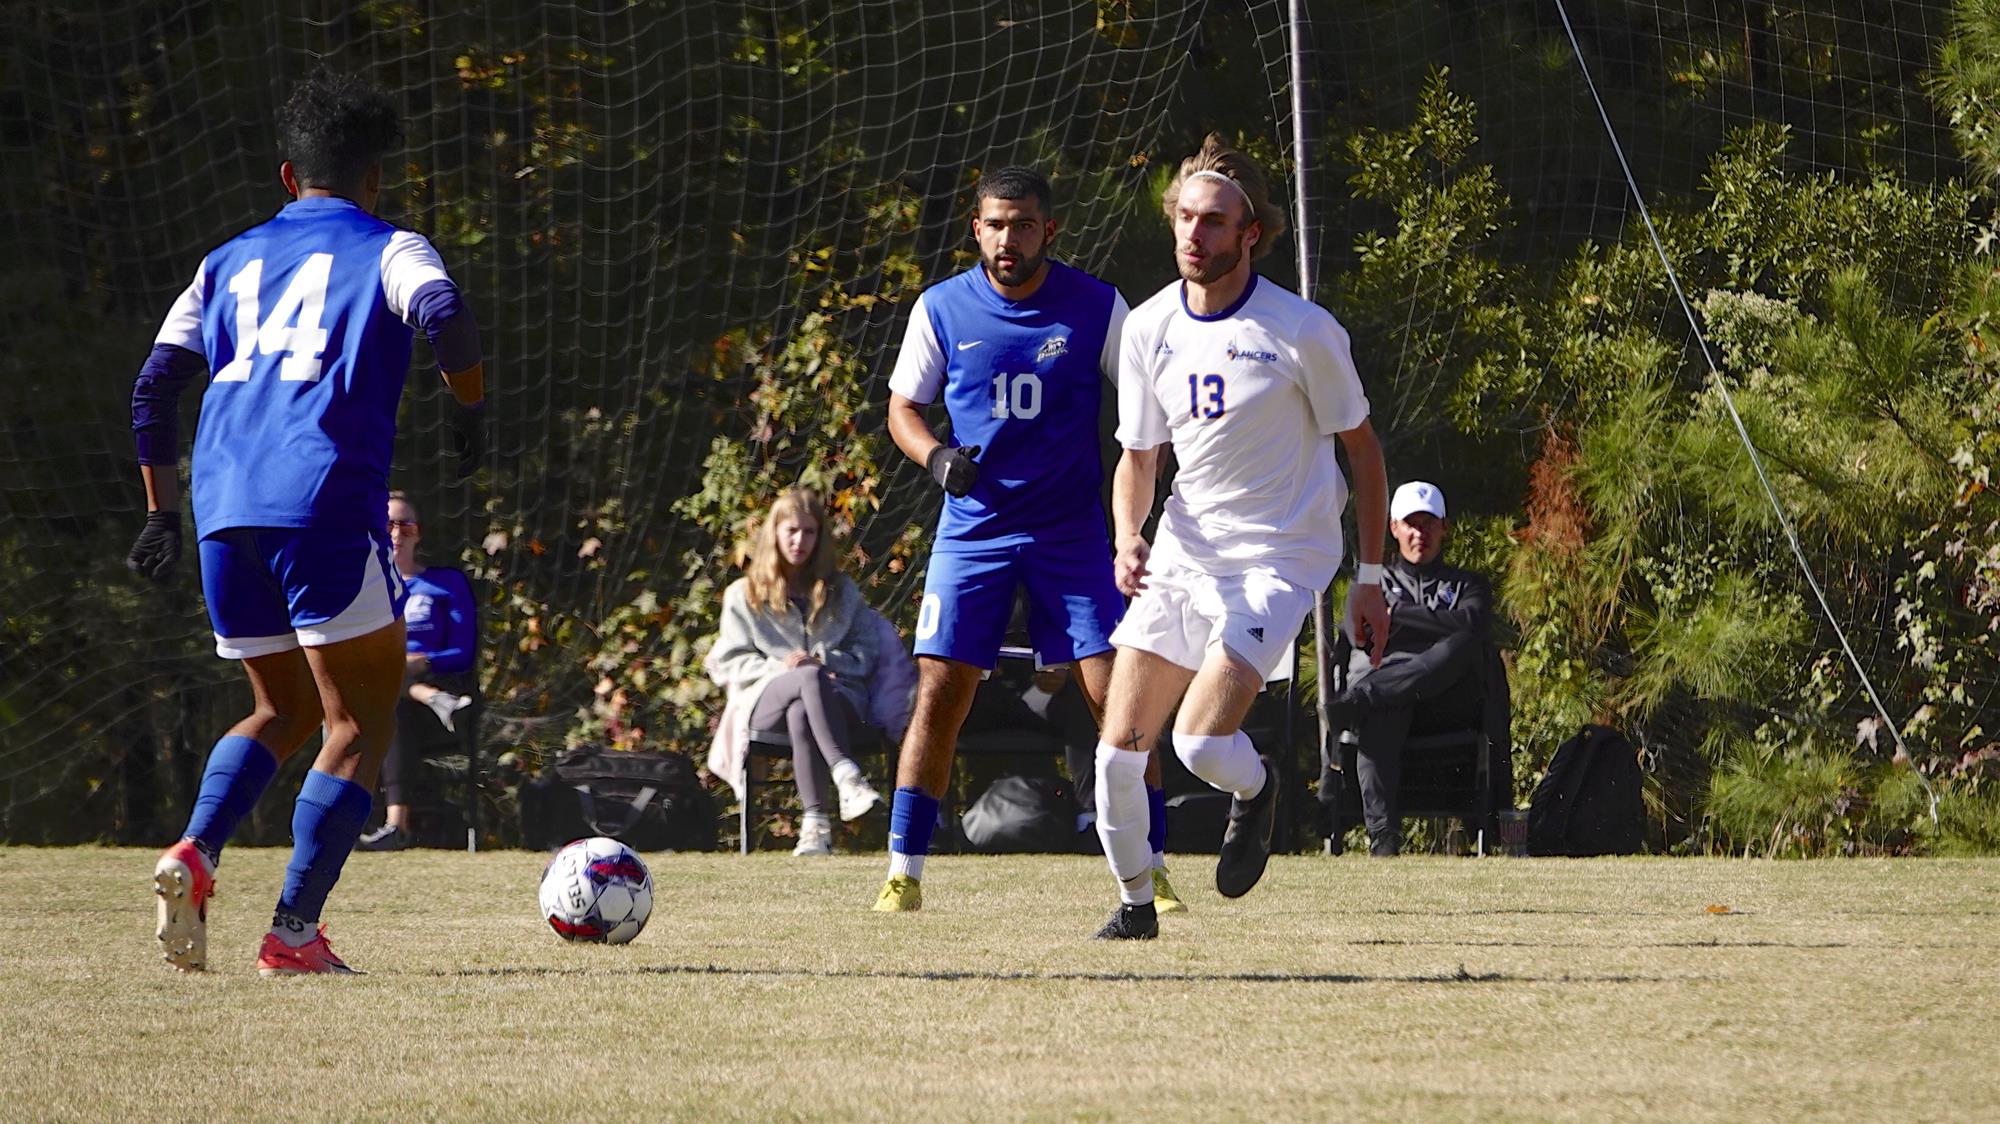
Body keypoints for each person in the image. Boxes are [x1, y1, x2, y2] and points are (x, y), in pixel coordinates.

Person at [126, 68, 486, 975]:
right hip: (322, 503)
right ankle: (292, 933)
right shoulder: (391, 247)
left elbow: (153, 386)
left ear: (290, 177)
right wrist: (469, 408)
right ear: (376, 176)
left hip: (223, 511)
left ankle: (195, 852)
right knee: (360, 719)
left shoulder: (227, 258)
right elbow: (444, 313)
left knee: (278, 707)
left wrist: (163, 512)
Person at [1087, 135, 1390, 940]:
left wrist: (1370, 575)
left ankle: (1258, 792)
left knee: (1195, 742)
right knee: (1117, 756)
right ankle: (1134, 907)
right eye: (1185, 217)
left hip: (1280, 556)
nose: (1195, 234)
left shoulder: (1302, 330)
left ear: (1250, 232)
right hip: (1186, 550)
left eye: (1214, 222)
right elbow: (1138, 457)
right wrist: (1128, 535)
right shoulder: (1150, 326)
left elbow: (1362, 451)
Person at [871, 166, 1183, 914]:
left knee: (1119, 698)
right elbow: (901, 409)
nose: (1010, 239)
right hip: (973, 533)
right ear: (976, 229)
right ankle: (903, 871)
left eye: (1024, 225)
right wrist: (936, 456)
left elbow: (1151, 409)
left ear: (1051, 230)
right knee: (941, 694)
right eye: (996, 225)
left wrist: (1132, 521)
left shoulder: (1098, 307)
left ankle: (1155, 867)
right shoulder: (941, 307)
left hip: (1072, 535)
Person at [708, 489, 887, 856]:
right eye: (791, 530)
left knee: (805, 702)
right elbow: (728, 662)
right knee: (806, 679)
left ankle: (815, 828)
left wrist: (826, 663)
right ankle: (846, 776)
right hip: (763, 698)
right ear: (774, 534)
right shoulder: (744, 594)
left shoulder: (843, 591)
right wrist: (782, 667)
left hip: (840, 700)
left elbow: (867, 655)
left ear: (820, 538)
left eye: (809, 532)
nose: (799, 540)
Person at [1326, 481, 1499, 856]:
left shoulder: (1469, 584)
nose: (1421, 533)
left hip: (1448, 704)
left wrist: (1399, 617)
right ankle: (1384, 842)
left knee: (1460, 644)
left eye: (1429, 524)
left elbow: (1471, 625)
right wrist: (1436, 623)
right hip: (1391, 702)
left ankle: (1367, 698)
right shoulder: (1370, 585)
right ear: (1394, 528)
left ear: (1444, 528)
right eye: (1412, 523)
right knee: (1385, 709)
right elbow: (1364, 637)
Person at [357, 492, 479, 851]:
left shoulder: (446, 584)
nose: (397, 532)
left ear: (419, 533)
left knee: (394, 700)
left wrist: (423, 661)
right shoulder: (364, 589)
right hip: (372, 696)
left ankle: (397, 826)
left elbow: (463, 651)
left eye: (406, 525)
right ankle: (436, 699)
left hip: (432, 710)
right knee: (385, 687)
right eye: (389, 524)